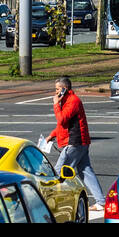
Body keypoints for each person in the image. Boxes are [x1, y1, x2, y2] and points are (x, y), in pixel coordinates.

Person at [45, 76, 105, 214]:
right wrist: (52, 135)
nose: (55, 92)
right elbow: (63, 125)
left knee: (59, 171)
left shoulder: (73, 101)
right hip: (80, 142)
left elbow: (62, 119)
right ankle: (101, 202)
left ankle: (50, 202)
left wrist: (55, 104)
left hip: (75, 142)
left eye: (57, 89)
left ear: (64, 89)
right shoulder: (67, 100)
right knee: (85, 171)